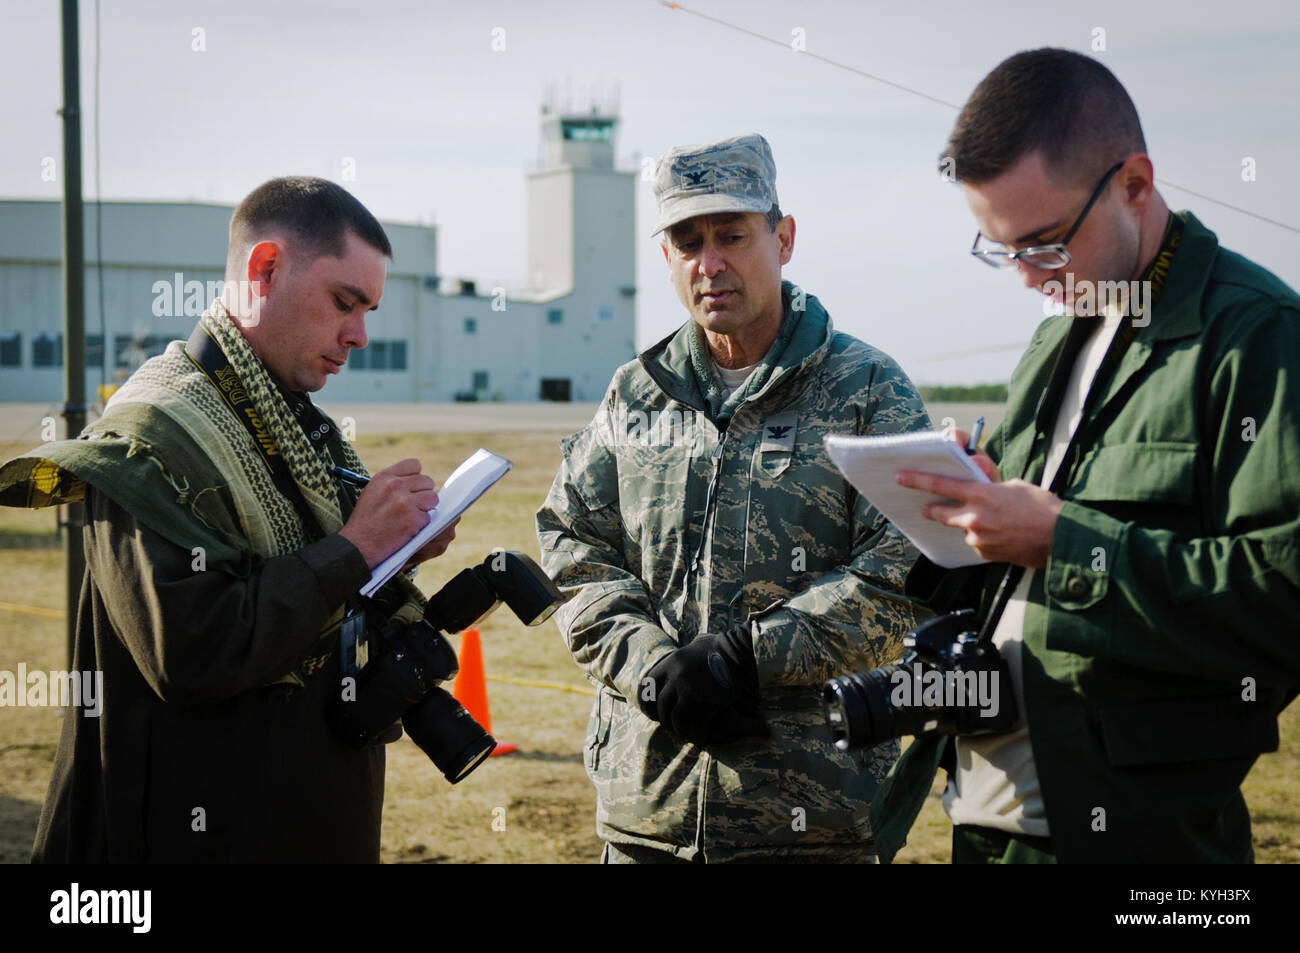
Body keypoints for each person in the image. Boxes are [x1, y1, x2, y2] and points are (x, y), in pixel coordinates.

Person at [868, 48, 1300, 863]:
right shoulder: (1056, 337)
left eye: (1047, 242)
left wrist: (1064, 541)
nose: (1029, 276)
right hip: (988, 829)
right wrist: (967, 514)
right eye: (1002, 249)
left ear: (1135, 183)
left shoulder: (1257, 337)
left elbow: (1285, 599)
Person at [0, 177, 458, 862]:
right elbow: (191, 654)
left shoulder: (302, 426)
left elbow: (311, 591)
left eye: (369, 310)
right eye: (344, 301)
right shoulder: (151, 436)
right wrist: (357, 546)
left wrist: (396, 551)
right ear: (264, 270)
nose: (360, 335)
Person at [536, 134, 930, 863]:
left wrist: (745, 656)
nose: (710, 263)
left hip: (812, 819)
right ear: (667, 259)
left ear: (783, 238)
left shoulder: (868, 387)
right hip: (646, 811)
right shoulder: (637, 391)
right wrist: (653, 668)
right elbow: (572, 548)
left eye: (732, 235)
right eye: (688, 242)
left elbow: (908, 577)